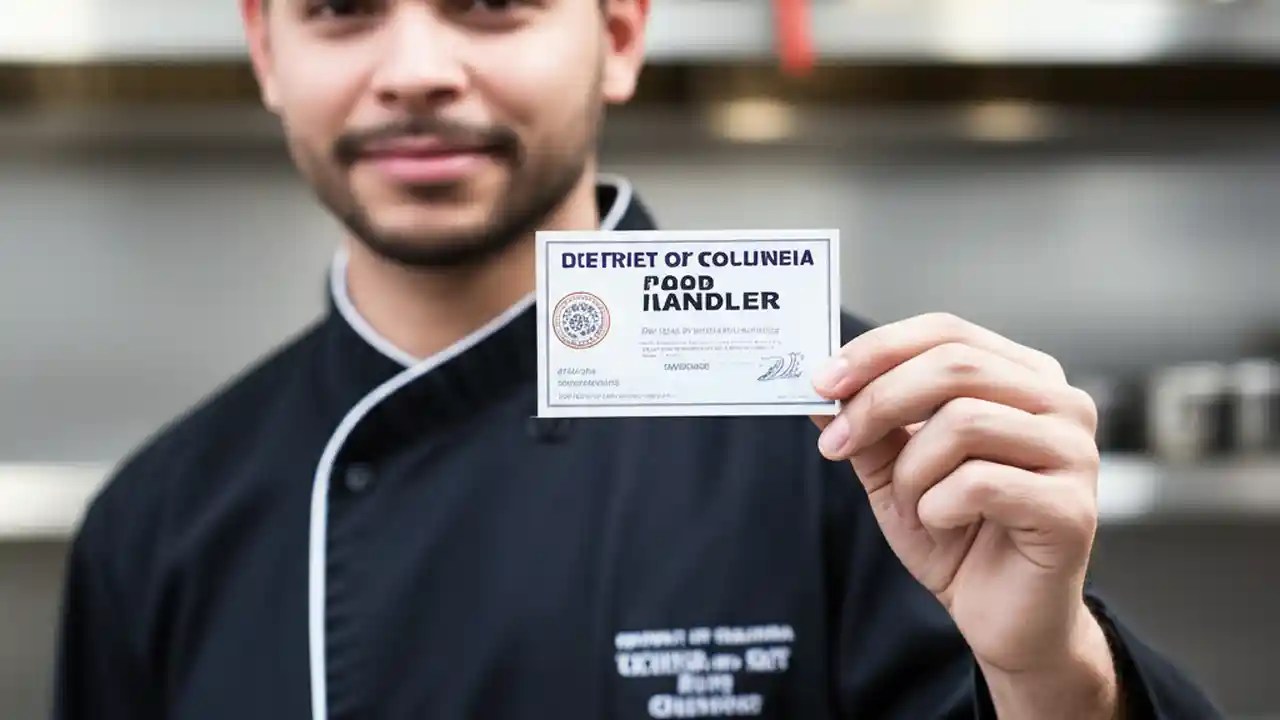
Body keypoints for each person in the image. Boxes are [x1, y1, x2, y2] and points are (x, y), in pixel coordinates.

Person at [53, 0, 1221, 718]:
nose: (412, 67)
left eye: (491, 1)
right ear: (265, 48)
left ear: (616, 36)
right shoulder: (156, 524)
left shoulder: (869, 437)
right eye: (342, 7)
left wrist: (1054, 675)